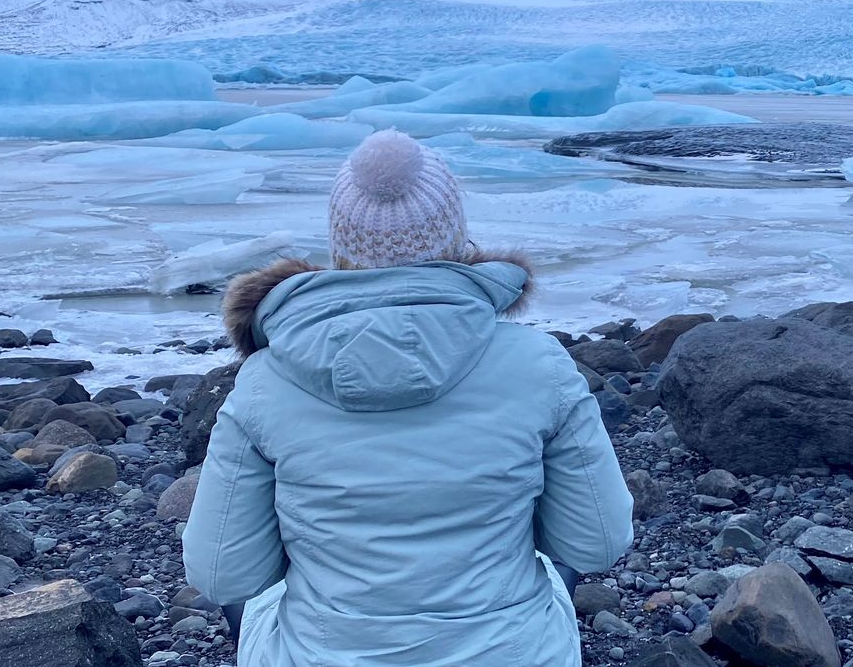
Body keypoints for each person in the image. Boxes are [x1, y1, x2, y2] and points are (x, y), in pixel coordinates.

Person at [182, 129, 635, 666]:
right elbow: (597, 544)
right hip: (510, 655)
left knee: (264, 602)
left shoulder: (265, 381)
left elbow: (221, 574)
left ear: (340, 248)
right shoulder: (540, 365)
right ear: (456, 239)